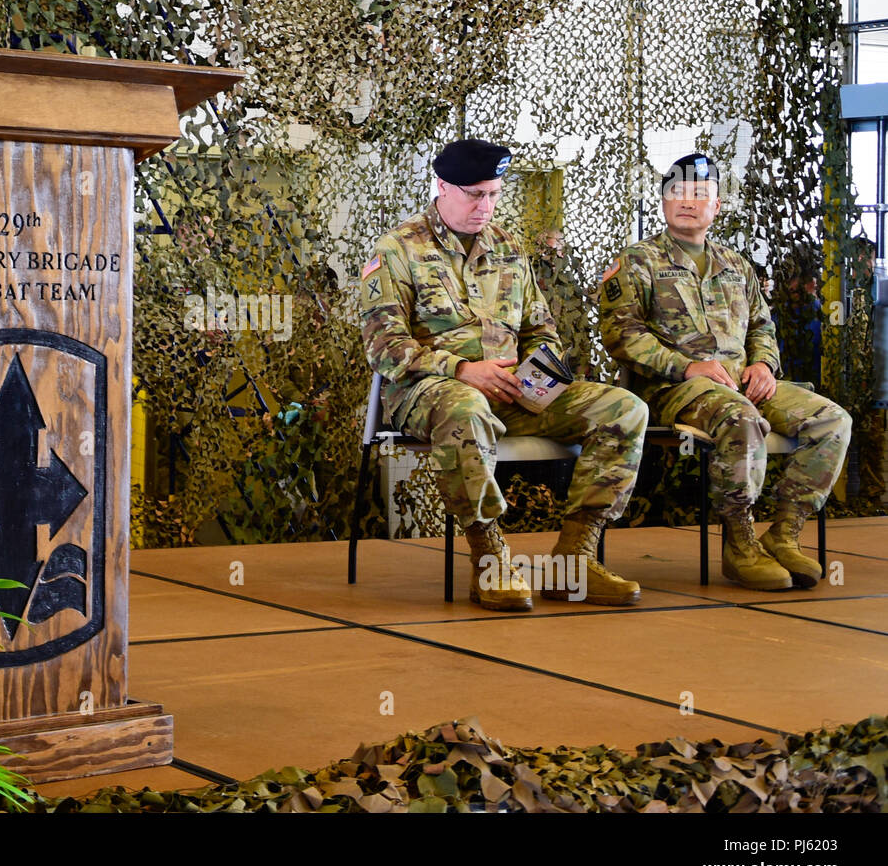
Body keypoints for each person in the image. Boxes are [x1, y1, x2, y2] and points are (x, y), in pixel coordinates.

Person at [361, 139, 648, 611]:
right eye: (475, 194)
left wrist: (538, 374)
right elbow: (384, 347)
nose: (486, 206)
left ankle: (575, 560)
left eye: (494, 194)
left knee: (623, 408)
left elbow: (541, 330)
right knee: (465, 407)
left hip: (514, 391)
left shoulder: (509, 248)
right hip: (431, 392)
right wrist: (462, 369)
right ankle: (489, 557)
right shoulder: (398, 249)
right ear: (441, 186)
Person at [598, 153, 851, 590]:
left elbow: (761, 326)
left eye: (700, 194)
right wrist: (687, 365)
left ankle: (784, 533)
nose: (687, 202)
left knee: (832, 421)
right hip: (677, 389)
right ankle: (740, 542)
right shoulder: (638, 262)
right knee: (742, 420)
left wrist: (764, 364)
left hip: (743, 381)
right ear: (662, 202)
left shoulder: (736, 265)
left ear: (717, 206)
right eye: (677, 192)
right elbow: (622, 336)